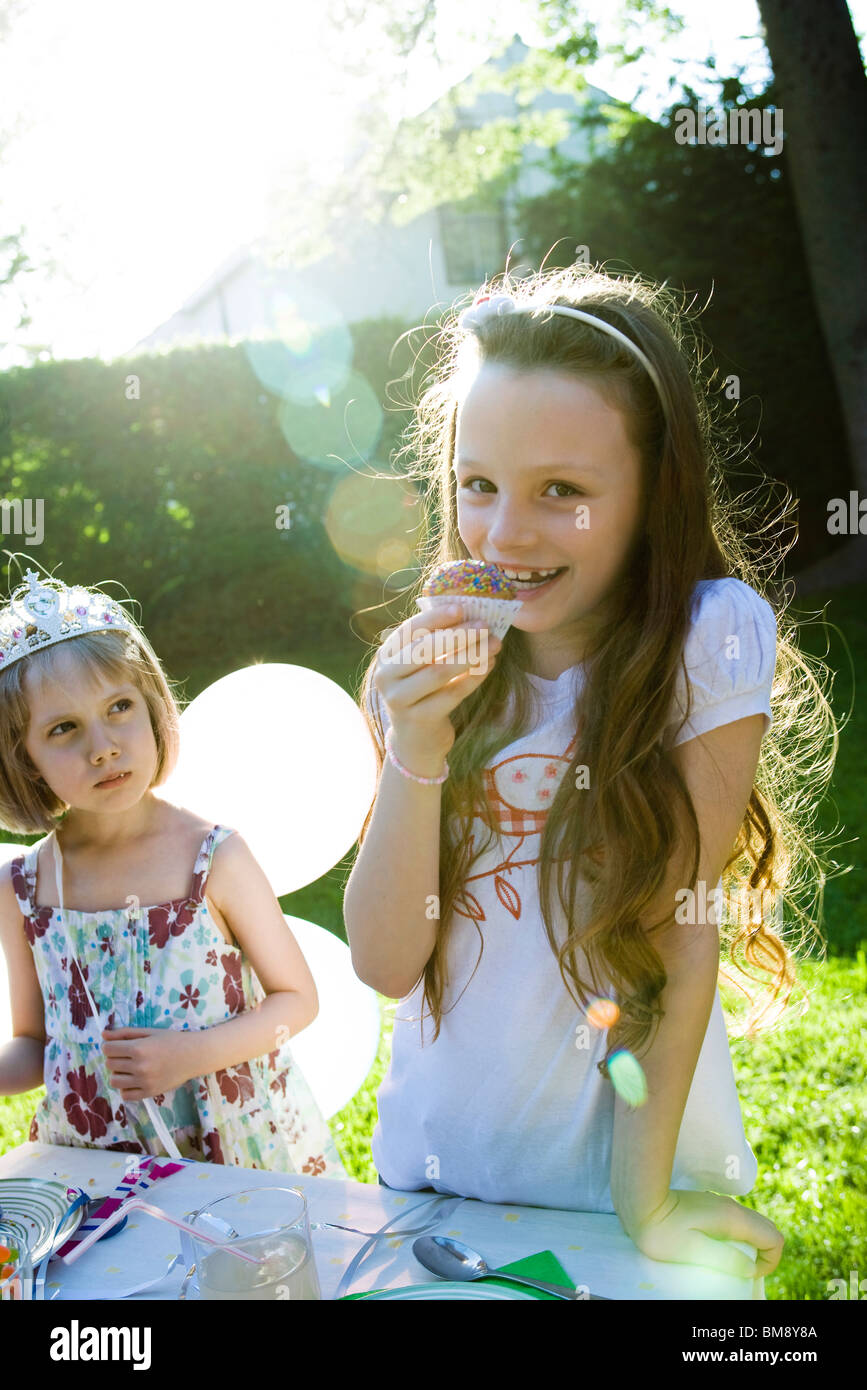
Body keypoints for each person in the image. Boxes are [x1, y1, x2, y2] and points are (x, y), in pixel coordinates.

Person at [345, 265, 838, 1280]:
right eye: (478, 484)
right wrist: (417, 752)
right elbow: (388, 962)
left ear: (653, 492)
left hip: (608, 1182)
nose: (505, 533)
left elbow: (679, 927)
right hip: (436, 1172)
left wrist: (644, 1199)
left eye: (561, 491)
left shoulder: (707, 638)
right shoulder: (432, 667)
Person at [0, 566, 344, 1176]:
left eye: (120, 708)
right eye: (63, 729)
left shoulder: (212, 858)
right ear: (22, 759)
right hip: (89, 1161)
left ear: (154, 708)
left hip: (224, 1151)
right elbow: (35, 1046)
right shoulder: (23, 888)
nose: (102, 746)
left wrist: (192, 1054)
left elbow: (298, 1000)